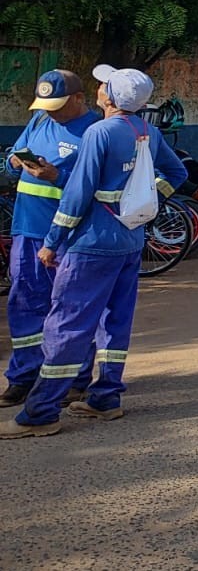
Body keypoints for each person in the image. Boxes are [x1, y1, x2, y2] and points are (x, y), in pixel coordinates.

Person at [4, 66, 186, 439]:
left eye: (105, 85)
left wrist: (53, 242)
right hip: (130, 241)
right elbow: (177, 173)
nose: (99, 88)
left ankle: (41, 413)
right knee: (114, 321)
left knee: (66, 324)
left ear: (111, 98)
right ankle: (105, 398)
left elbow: (77, 194)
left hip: (91, 244)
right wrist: (144, 204)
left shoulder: (100, 132)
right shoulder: (147, 132)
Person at [3, 70, 100, 409]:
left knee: (70, 309)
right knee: (25, 303)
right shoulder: (41, 120)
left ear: (78, 98)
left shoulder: (94, 131)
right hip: (27, 229)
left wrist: (58, 176)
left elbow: (97, 185)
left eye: (57, 106)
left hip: (69, 235)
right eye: (46, 106)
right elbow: (13, 156)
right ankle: (23, 377)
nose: (51, 112)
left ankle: (73, 379)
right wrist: (15, 160)